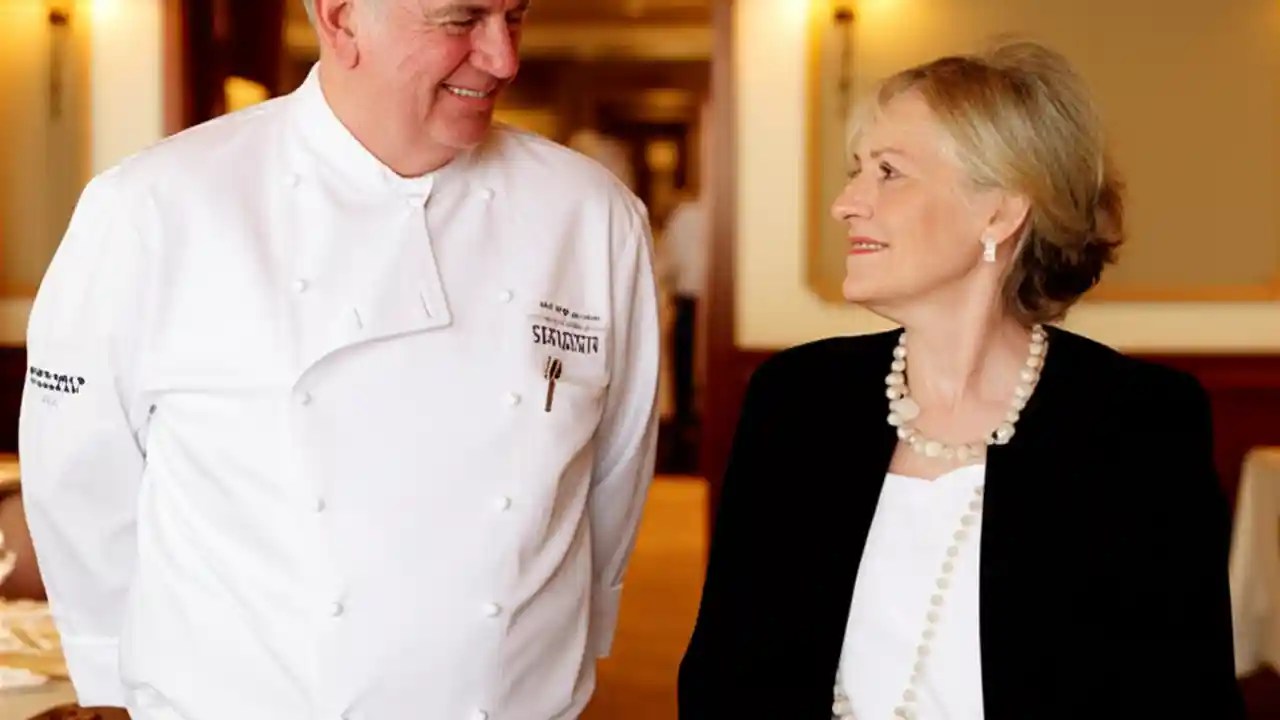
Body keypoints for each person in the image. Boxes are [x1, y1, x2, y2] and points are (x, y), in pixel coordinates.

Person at [19, 0, 661, 718]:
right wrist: (112, 670)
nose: (503, 57)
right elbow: (78, 482)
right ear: (341, 16)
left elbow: (615, 476)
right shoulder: (154, 208)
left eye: (515, 16)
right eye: (461, 20)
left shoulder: (593, 216)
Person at [677, 41, 1243, 719]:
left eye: (888, 173)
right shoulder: (796, 401)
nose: (847, 204)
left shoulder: (1138, 426)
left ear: (1001, 212)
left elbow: (1185, 698)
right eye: (856, 170)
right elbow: (722, 680)